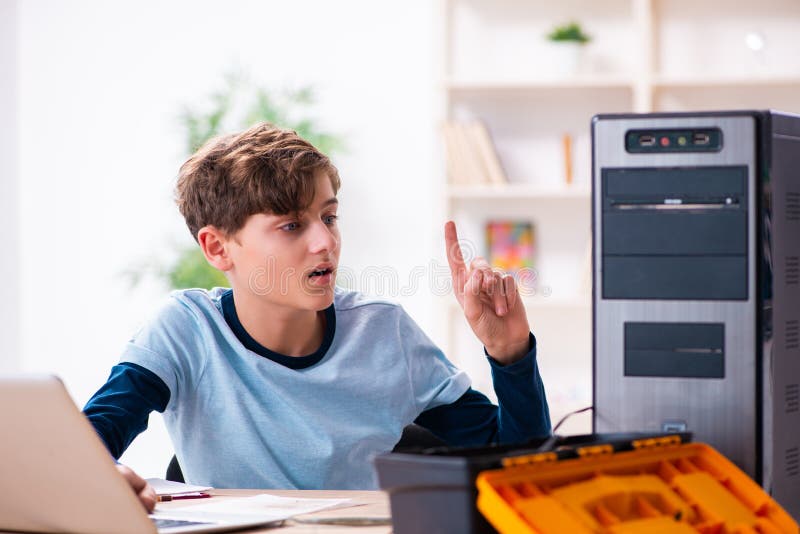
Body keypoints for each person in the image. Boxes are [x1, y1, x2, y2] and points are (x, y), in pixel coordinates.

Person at [84, 123, 551, 504]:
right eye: (291, 225)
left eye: (329, 217)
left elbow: (520, 470)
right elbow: (85, 446)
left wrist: (509, 354)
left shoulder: (383, 332)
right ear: (217, 247)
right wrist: (105, 477)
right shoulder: (185, 330)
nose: (325, 242)